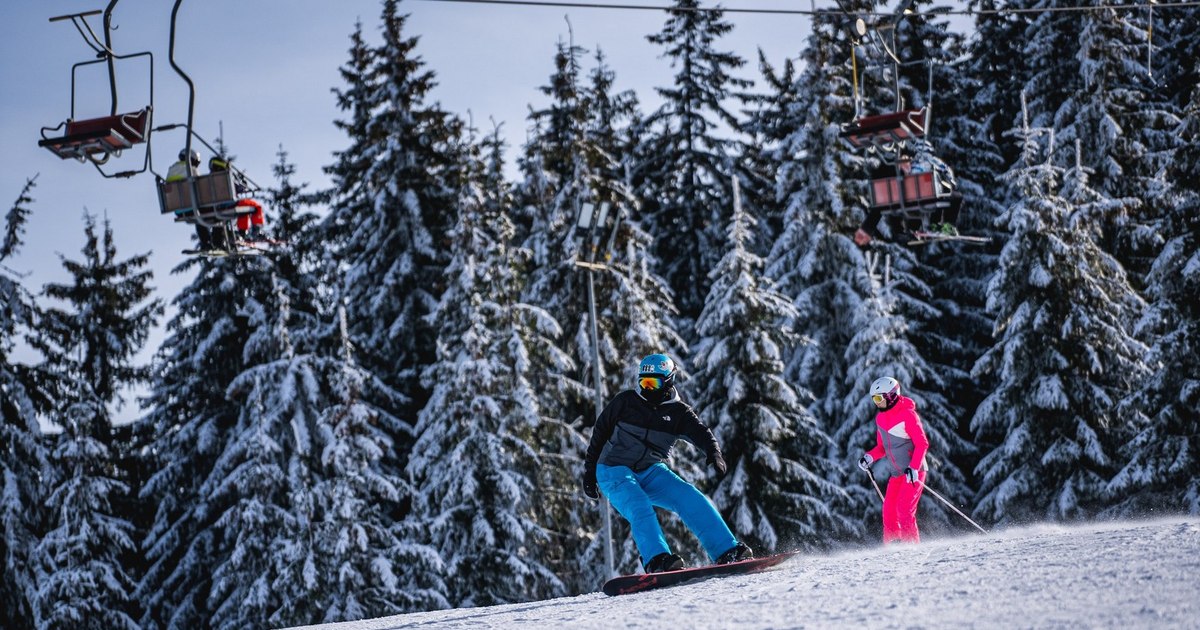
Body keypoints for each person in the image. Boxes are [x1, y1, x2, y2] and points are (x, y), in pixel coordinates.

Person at [582, 353, 754, 573]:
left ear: (669, 381)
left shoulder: (678, 413)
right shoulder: (625, 402)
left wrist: (713, 452)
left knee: (690, 498)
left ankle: (726, 551)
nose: (647, 389)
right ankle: (657, 560)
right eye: (643, 382)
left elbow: (701, 433)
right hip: (612, 469)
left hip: (650, 470)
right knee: (638, 505)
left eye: (653, 383)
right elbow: (599, 433)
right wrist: (590, 472)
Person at [857, 376, 929, 544]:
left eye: (879, 398)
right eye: (874, 399)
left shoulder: (908, 415)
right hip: (896, 474)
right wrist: (869, 457)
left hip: (913, 472)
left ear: (891, 396)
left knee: (904, 510)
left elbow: (922, 443)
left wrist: (914, 467)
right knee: (889, 511)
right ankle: (892, 549)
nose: (876, 403)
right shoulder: (881, 419)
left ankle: (910, 548)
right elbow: (882, 448)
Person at [167, 148, 227, 251]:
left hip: (179, 209)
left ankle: (206, 243)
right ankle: (218, 242)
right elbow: (201, 188)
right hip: (192, 206)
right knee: (219, 213)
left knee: (198, 217)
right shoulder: (191, 170)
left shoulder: (171, 170)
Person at [208, 156, 266, 241]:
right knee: (255, 206)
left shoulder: (207, 180)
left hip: (213, 207)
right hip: (229, 204)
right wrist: (242, 181)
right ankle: (254, 231)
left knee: (242, 207)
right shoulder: (226, 177)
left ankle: (220, 238)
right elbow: (240, 188)